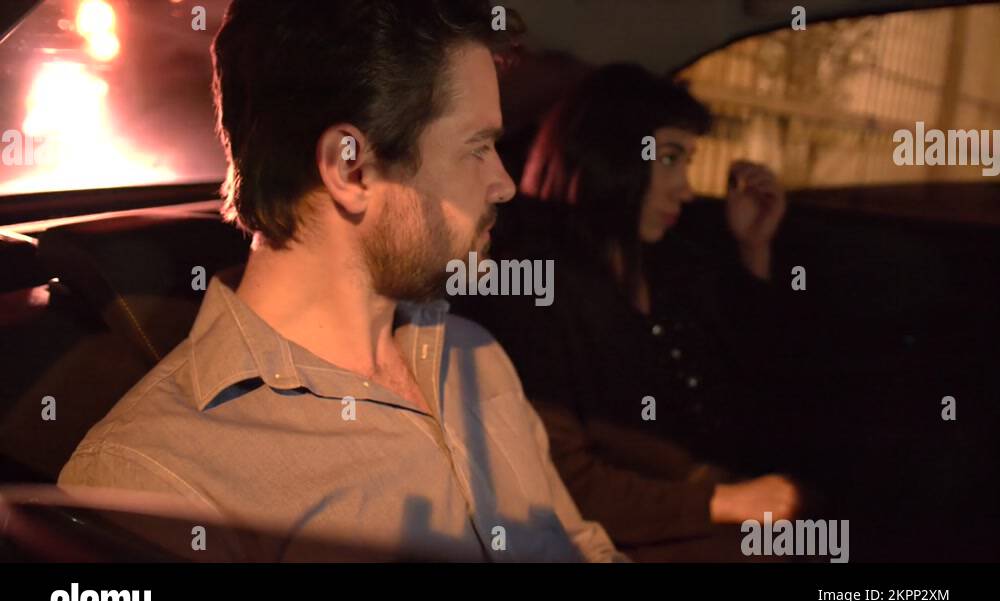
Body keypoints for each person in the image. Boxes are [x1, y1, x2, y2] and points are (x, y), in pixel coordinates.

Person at [58, 0, 625, 563]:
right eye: (475, 149)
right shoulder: (157, 483)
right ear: (350, 168)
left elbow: (580, 546)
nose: (504, 184)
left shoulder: (474, 354)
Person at [455, 63, 805, 561]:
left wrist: (753, 249)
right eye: (670, 159)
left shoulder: (661, 262)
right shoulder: (534, 290)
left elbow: (750, 382)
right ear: (609, 156)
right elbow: (561, 482)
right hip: (624, 533)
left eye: (688, 162)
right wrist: (720, 501)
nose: (686, 189)